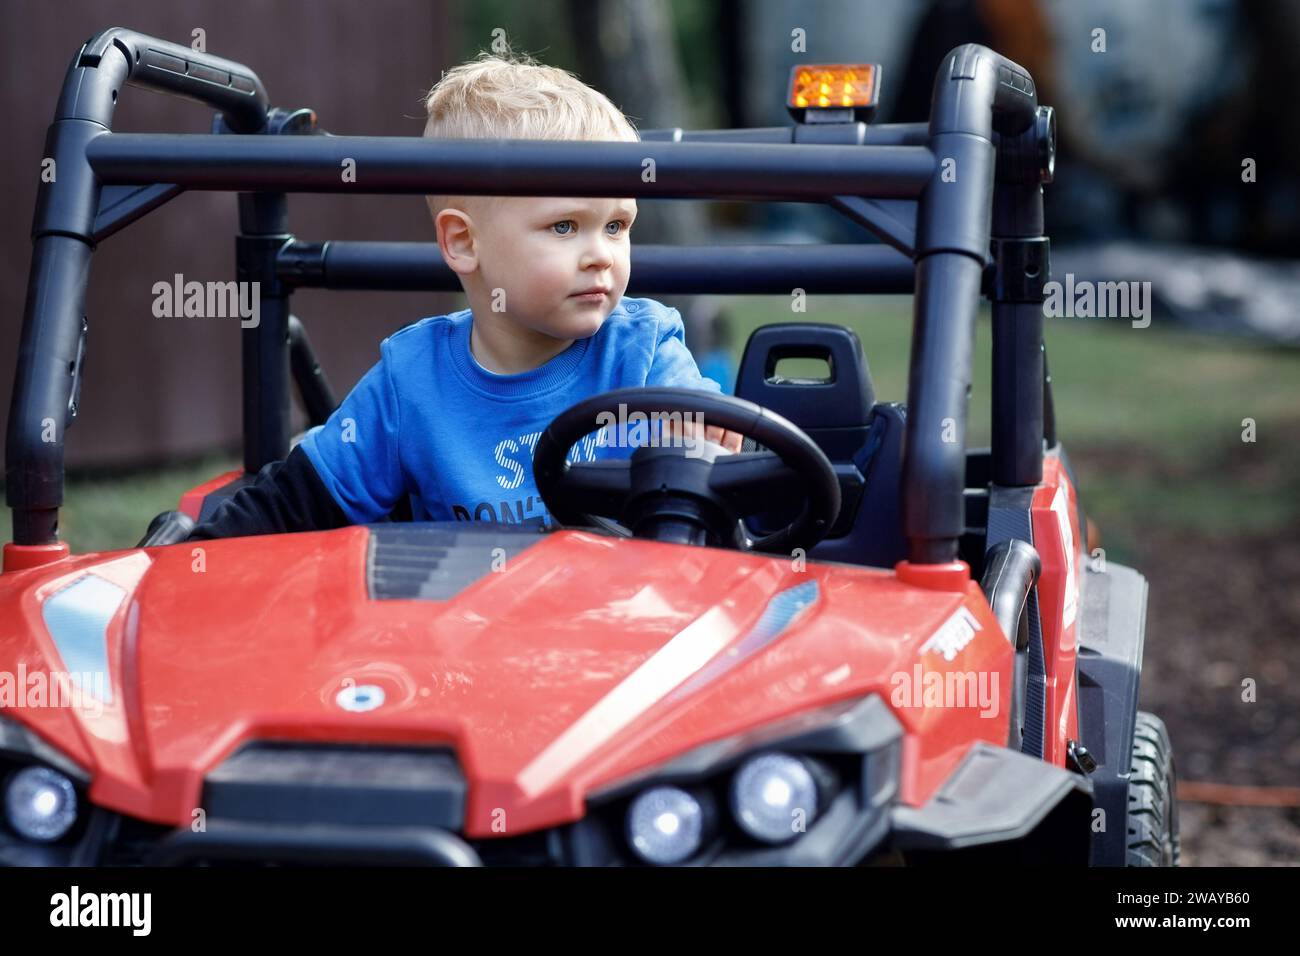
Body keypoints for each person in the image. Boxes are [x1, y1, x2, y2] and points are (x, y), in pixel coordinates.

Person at [187, 52, 740, 540]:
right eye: (566, 226)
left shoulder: (645, 351)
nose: (602, 255)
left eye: (617, 226)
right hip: (460, 644)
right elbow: (294, 504)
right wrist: (180, 566)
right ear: (463, 241)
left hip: (620, 636)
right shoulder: (412, 379)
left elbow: (705, 486)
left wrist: (700, 443)